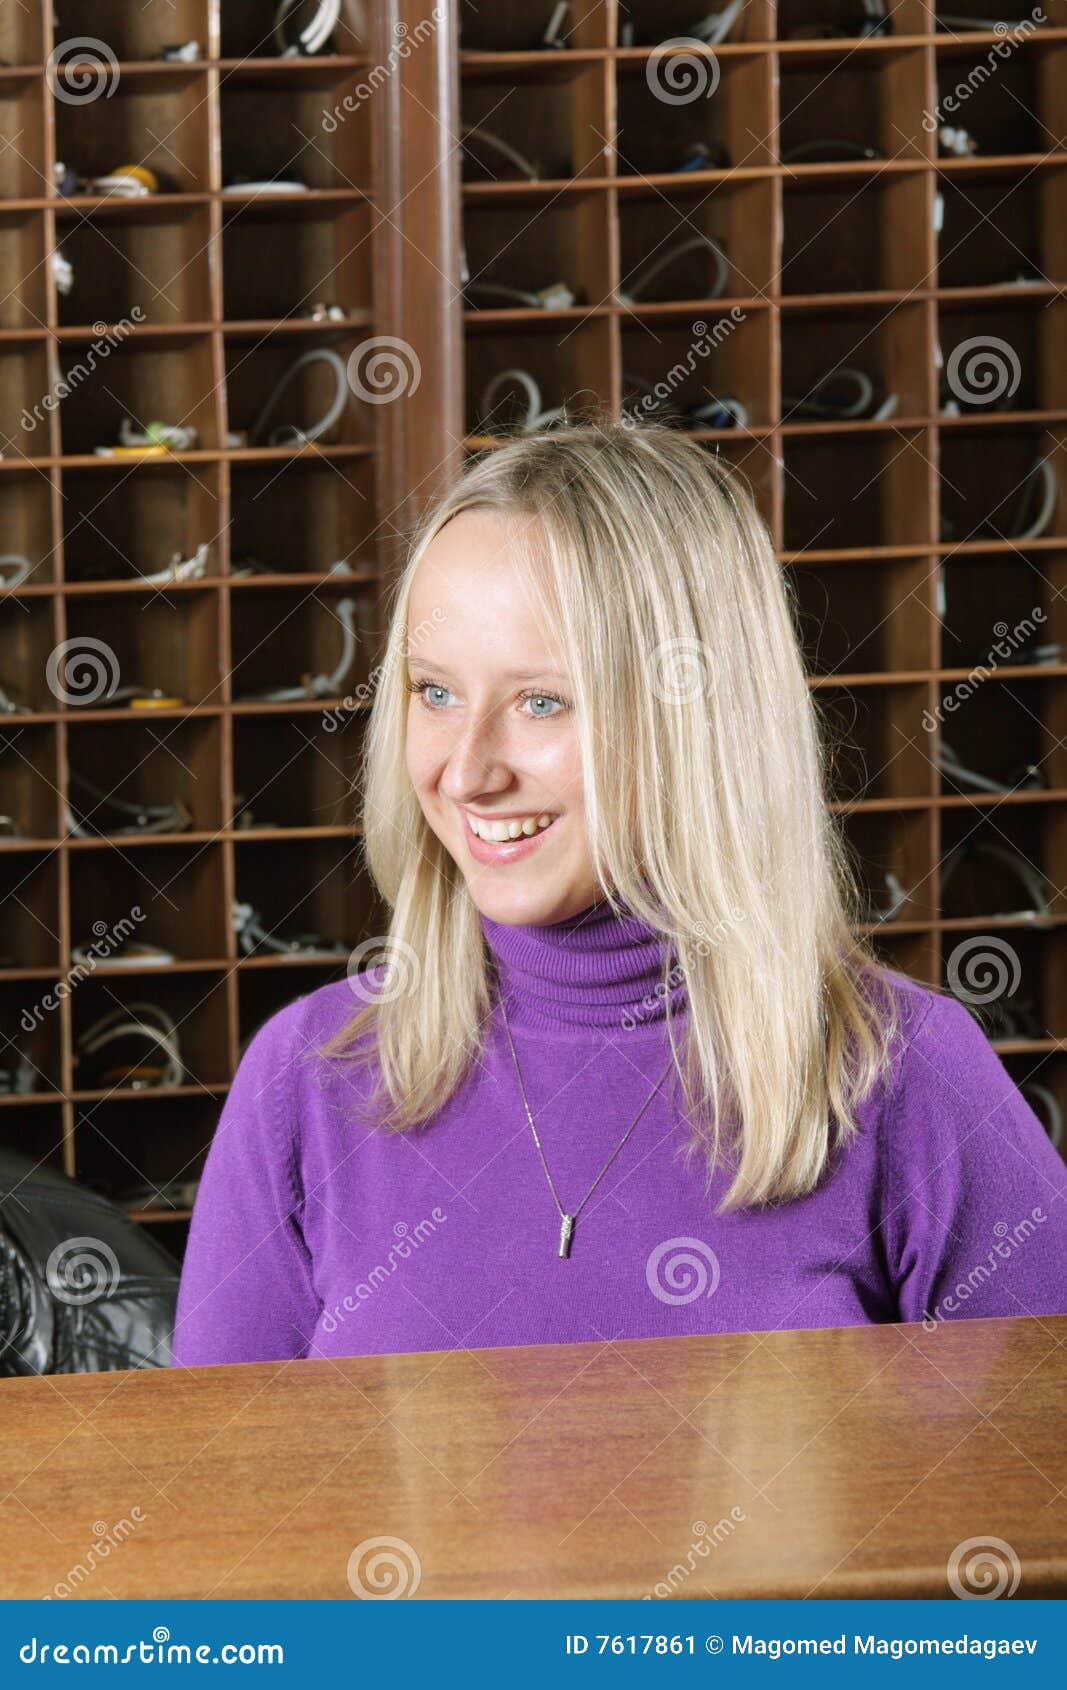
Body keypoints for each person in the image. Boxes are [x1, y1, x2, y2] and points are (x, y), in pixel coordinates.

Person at [171, 419, 1067, 1366]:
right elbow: (224, 1497)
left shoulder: (903, 1076)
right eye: (434, 693)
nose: (465, 771)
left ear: (700, 721)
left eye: (541, 702)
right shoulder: (305, 1079)